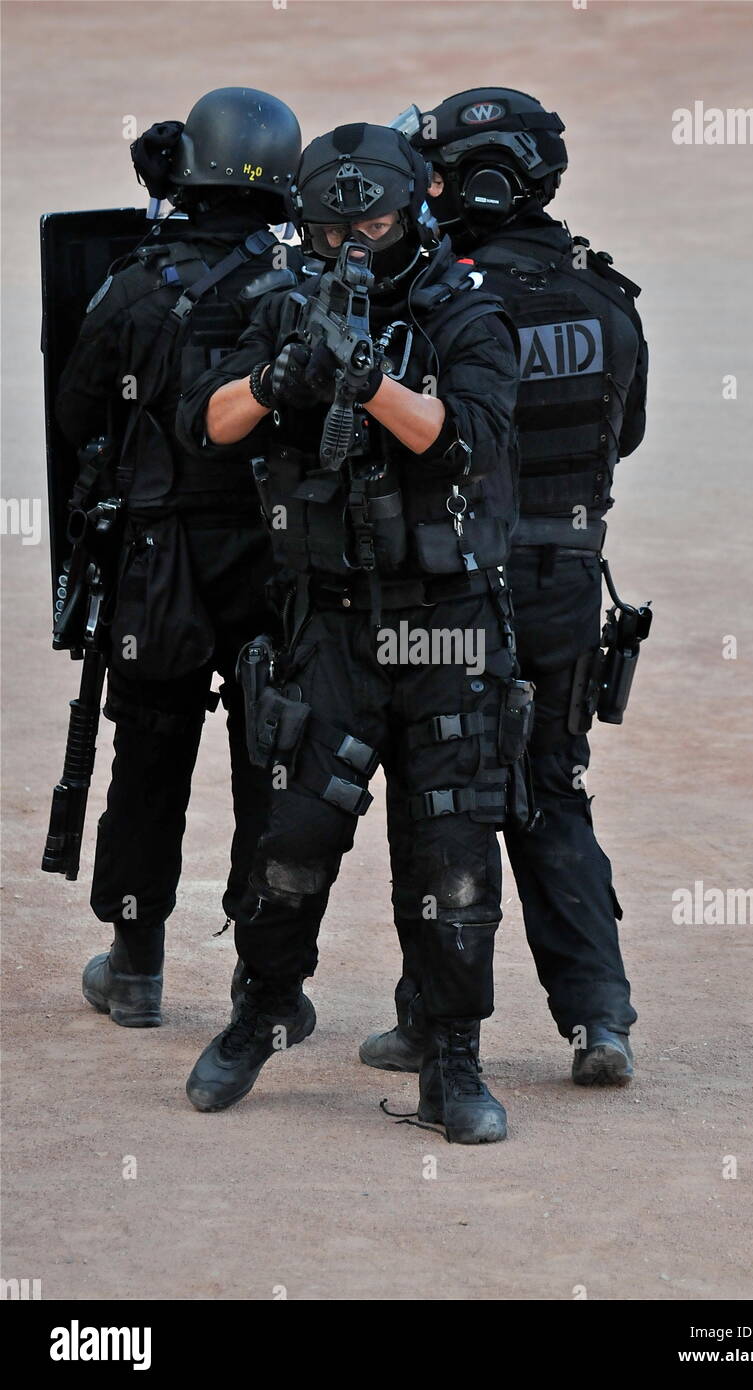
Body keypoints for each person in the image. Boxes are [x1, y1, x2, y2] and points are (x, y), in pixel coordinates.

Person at [177, 123, 523, 1143]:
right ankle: (262, 1007)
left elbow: (466, 440)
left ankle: (452, 1060)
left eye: (372, 225)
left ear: (412, 208)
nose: (353, 247)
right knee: (291, 842)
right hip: (327, 623)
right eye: (333, 230)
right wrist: (280, 379)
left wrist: (370, 386)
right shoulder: (281, 300)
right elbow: (209, 421)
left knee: (452, 853)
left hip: (447, 623)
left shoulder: (463, 307)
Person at [361, 88, 648, 1085]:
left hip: (455, 581)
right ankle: (598, 1022)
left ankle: (421, 1024)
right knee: (552, 789)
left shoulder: (439, 299)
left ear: (473, 178)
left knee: (439, 793)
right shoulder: (602, 296)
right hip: (566, 579)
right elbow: (627, 434)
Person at [55, 88, 303, 1027]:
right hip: (274, 563)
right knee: (268, 765)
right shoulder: (298, 292)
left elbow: (77, 419)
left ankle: (135, 969)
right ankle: (264, 979)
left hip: (158, 562)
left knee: (148, 759)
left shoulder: (132, 286)